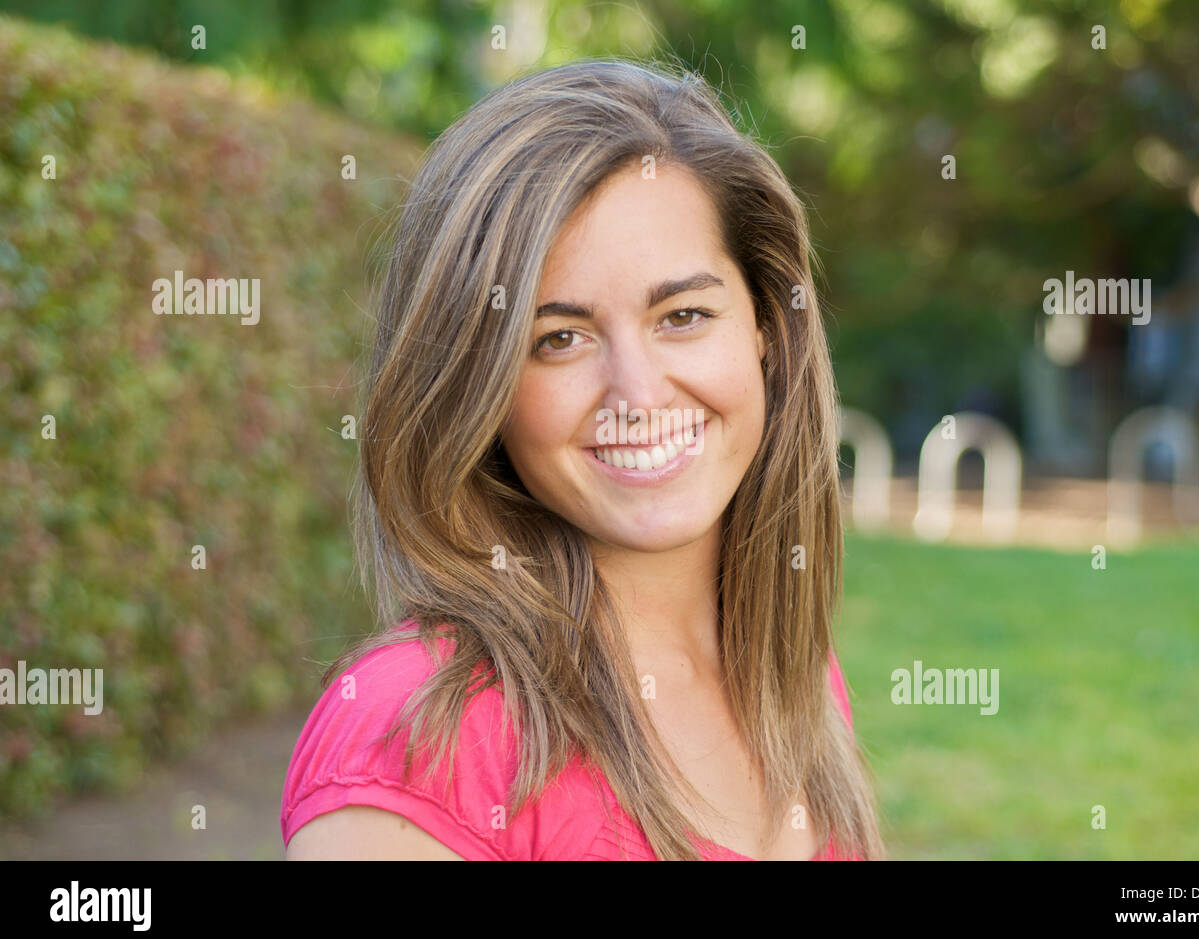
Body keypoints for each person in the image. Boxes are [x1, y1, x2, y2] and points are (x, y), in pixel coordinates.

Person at [281, 56, 885, 860]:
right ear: (478, 388)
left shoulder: (791, 673)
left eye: (683, 315)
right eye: (559, 338)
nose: (636, 392)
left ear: (766, 328)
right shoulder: (420, 737)